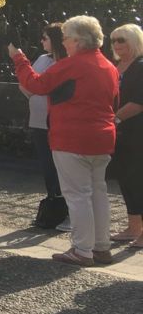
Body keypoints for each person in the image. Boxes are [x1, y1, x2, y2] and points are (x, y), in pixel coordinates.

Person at [9, 15, 120, 267]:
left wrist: (19, 58)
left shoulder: (73, 64)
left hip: (72, 136)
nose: (65, 43)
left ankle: (82, 250)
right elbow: (114, 102)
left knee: (78, 195)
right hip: (102, 136)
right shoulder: (108, 66)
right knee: (98, 192)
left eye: (67, 38)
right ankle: (101, 247)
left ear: (79, 41)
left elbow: (36, 84)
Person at [20, 23, 69, 230]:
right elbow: (28, 82)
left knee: (63, 167)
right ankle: (54, 204)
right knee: (48, 167)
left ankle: (66, 209)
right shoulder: (41, 59)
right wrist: (32, 91)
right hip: (38, 120)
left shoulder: (66, 62)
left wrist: (35, 90)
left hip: (58, 121)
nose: (42, 42)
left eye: (45, 38)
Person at [109, 23, 143, 248]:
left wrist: (114, 119)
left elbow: (139, 102)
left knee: (138, 180)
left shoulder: (140, 66)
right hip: (120, 133)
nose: (117, 45)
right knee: (126, 179)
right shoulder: (117, 65)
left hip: (136, 132)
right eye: (113, 41)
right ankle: (133, 227)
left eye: (122, 39)